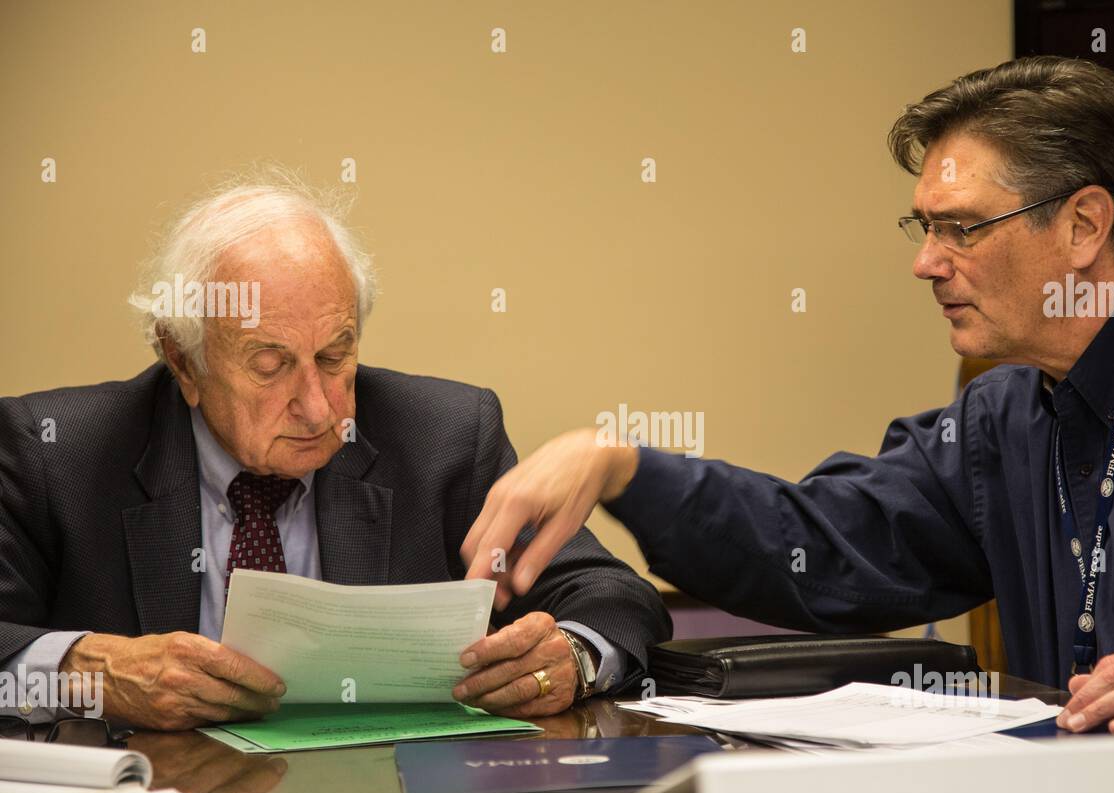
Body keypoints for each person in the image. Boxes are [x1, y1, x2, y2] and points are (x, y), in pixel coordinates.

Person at [463, 57, 1114, 759]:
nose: (926, 263)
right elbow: (817, 547)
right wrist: (624, 466)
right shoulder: (999, 418)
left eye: (962, 228)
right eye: (923, 228)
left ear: (1083, 226)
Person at [0, 175, 669, 729]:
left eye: (334, 354)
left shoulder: (443, 437)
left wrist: (573, 657)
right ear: (184, 362)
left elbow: (613, 596)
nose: (319, 408)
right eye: (270, 364)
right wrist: (85, 671)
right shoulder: (57, 454)